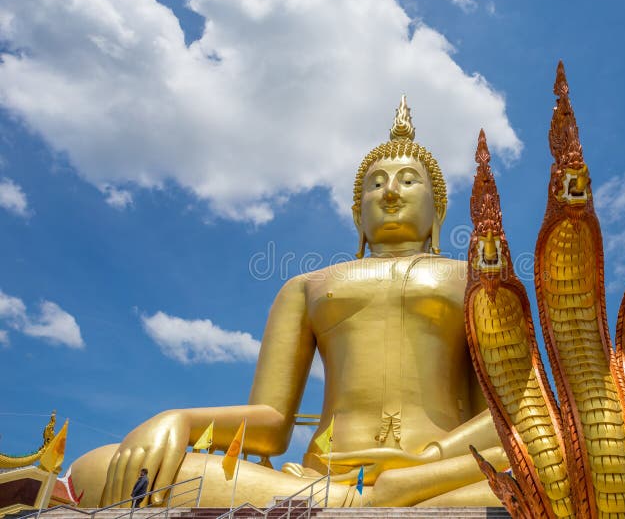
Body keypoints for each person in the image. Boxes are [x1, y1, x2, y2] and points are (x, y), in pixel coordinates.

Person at [69, 97, 507, 508]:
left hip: (445, 473)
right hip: (323, 480)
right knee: (99, 468)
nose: (391, 192)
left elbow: (522, 414)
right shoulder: (307, 286)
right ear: (358, 215)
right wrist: (179, 419)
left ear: (439, 212)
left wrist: (428, 459)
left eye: (409, 181)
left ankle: (388, 493)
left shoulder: (477, 278)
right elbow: (272, 424)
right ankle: (362, 500)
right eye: (376, 184)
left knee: (564, 455)